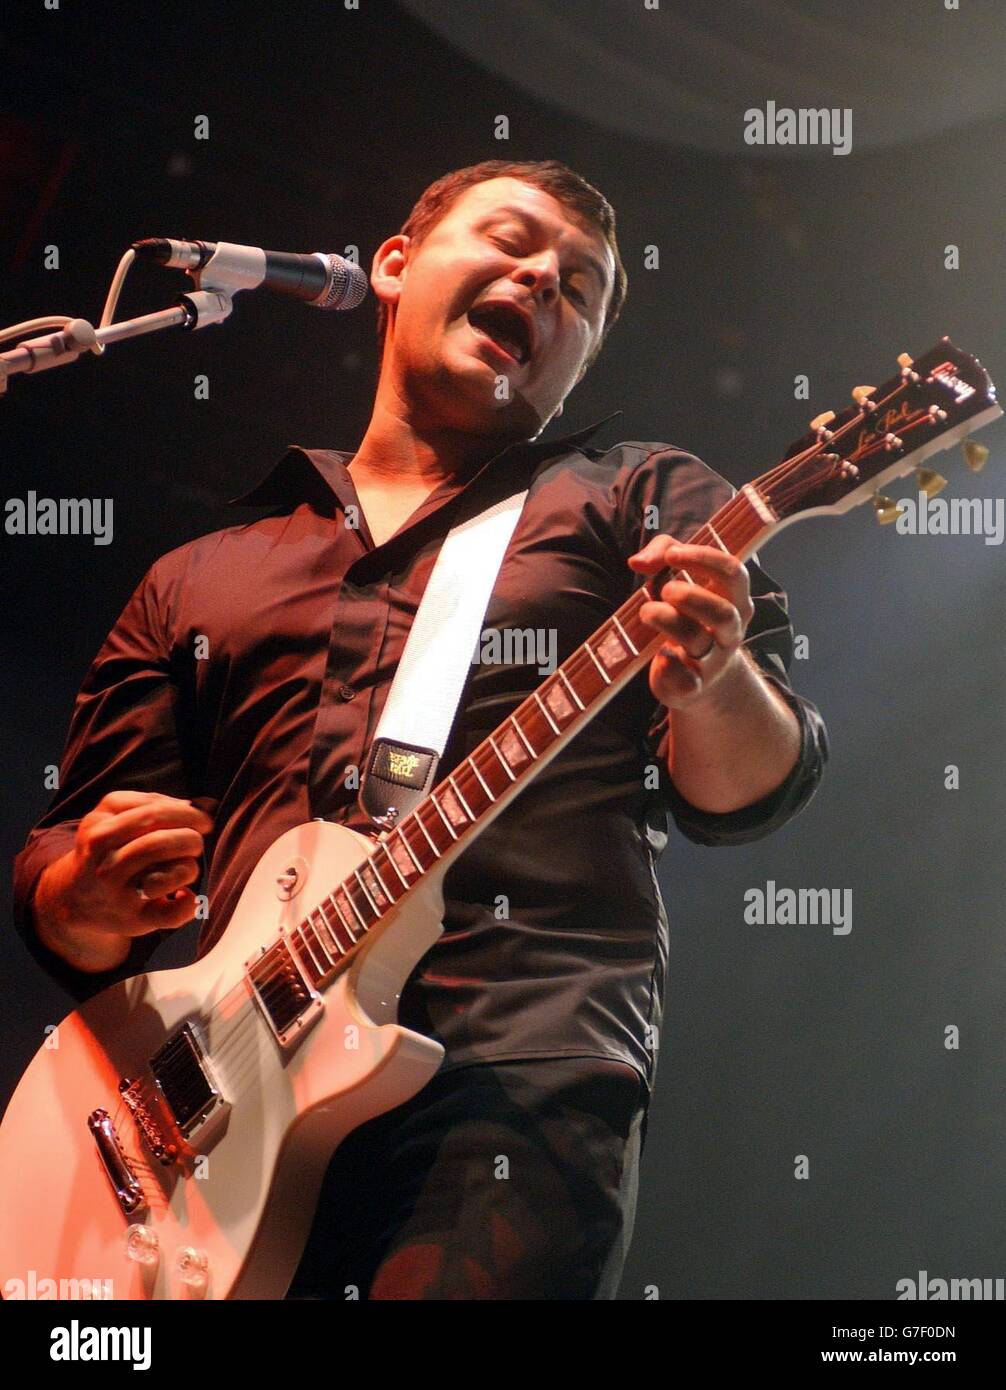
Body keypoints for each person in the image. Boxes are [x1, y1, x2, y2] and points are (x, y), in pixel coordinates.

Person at [12, 159, 828, 1299]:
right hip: (202, 1115)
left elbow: (755, 787)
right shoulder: (205, 572)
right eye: (509, 240)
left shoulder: (637, 499)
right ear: (393, 265)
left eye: (582, 289)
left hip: (509, 1086)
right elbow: (61, 880)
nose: (544, 277)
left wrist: (711, 677)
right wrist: (86, 896)